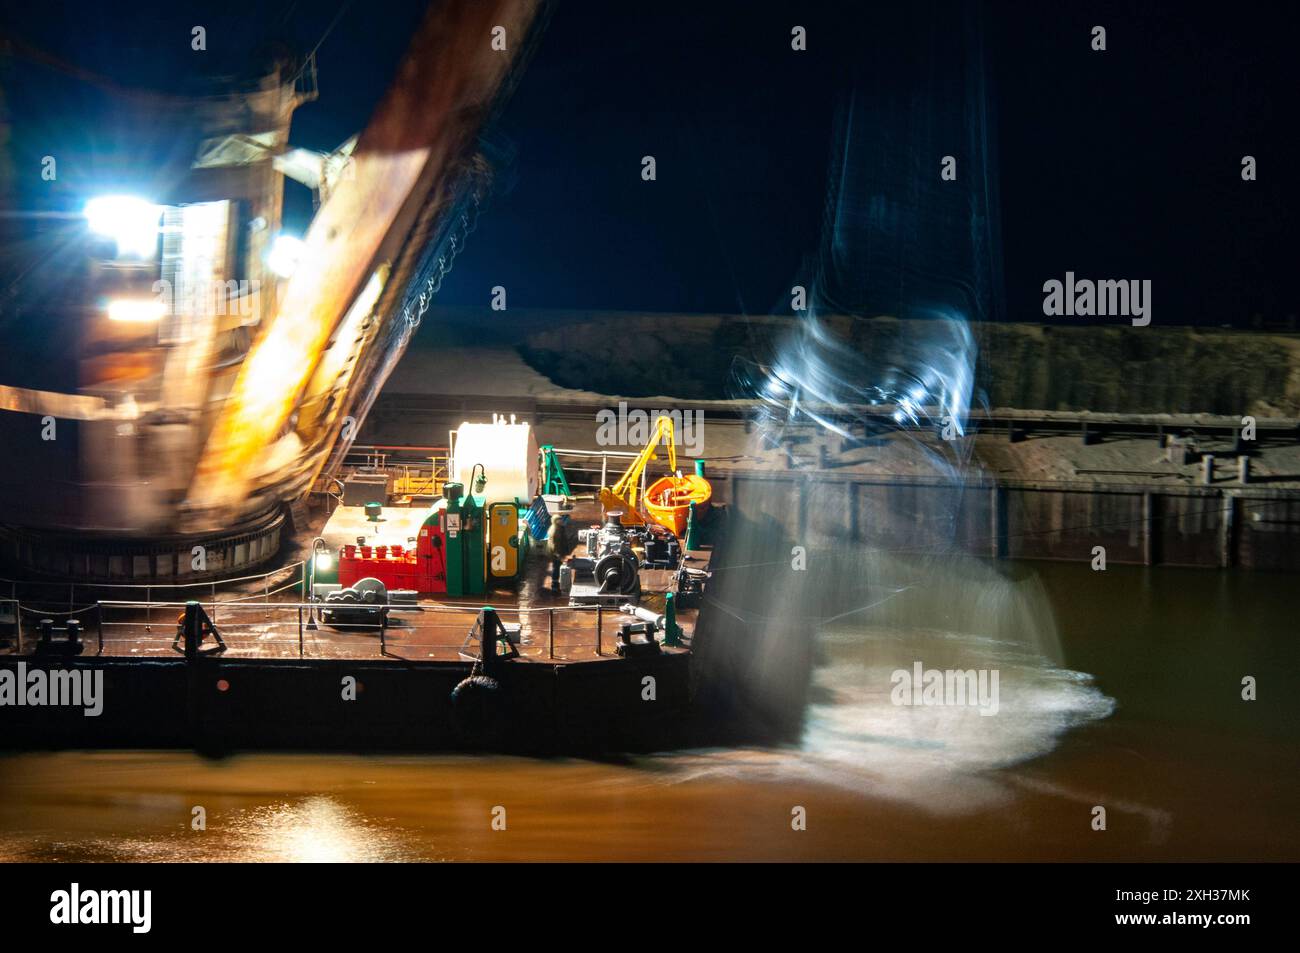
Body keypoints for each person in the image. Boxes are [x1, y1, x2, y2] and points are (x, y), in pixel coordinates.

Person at [545, 513, 578, 590]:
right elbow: (553, 544)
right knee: (556, 567)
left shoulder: (560, 528)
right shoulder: (554, 530)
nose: (560, 521)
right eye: (558, 520)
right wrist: (557, 554)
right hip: (555, 552)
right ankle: (554, 583)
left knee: (558, 565)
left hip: (560, 550)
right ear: (555, 521)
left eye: (560, 519)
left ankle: (556, 582)